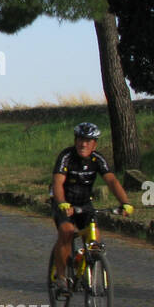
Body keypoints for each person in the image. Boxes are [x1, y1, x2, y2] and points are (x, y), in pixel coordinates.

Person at [50, 122, 135, 292]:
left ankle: (86, 267)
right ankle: (61, 278)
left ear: (94, 144)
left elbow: (111, 181)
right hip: (64, 201)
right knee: (66, 231)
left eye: (88, 141)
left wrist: (125, 203)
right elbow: (58, 182)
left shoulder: (98, 159)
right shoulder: (66, 156)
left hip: (84, 203)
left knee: (94, 237)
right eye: (81, 139)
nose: (84, 144)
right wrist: (62, 203)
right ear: (75, 140)